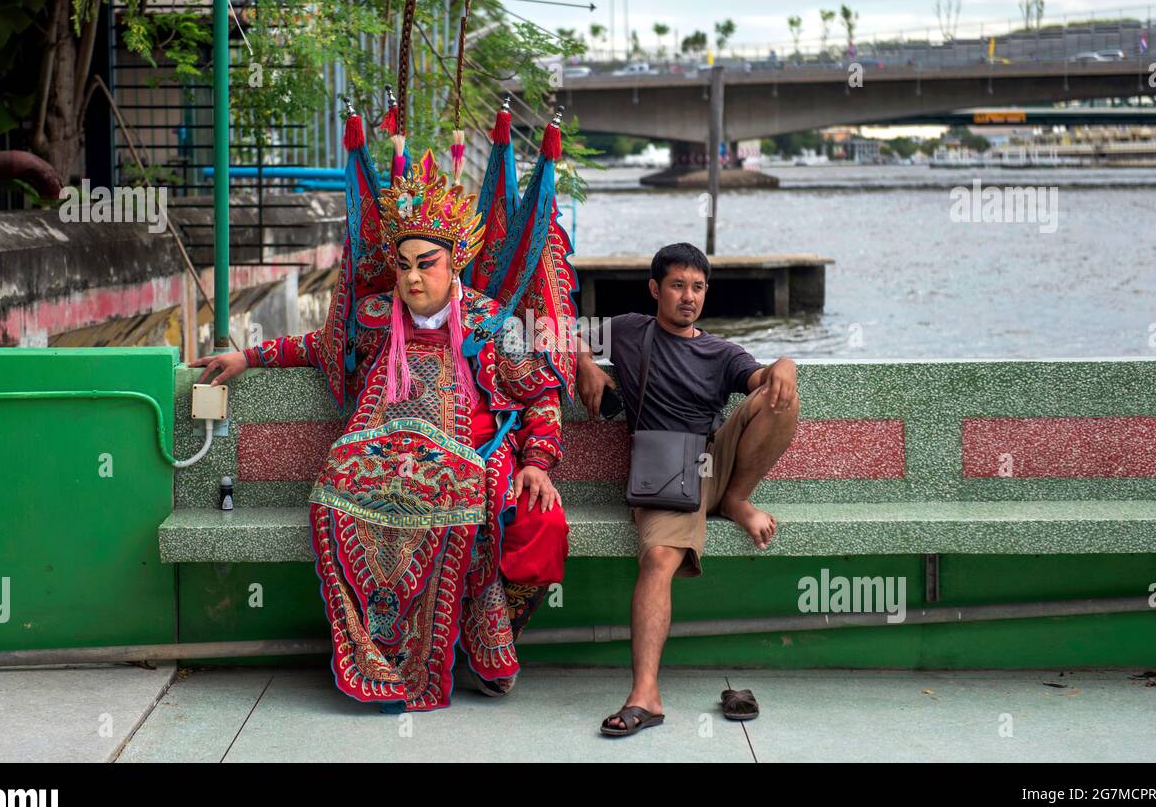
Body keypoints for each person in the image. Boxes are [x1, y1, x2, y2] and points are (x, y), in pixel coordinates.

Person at [193, 147, 570, 712]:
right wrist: (251, 357)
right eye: (403, 264)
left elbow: (539, 392)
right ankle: (384, 654)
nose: (413, 277)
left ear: (455, 262)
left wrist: (537, 462)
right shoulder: (372, 317)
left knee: (516, 515)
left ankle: (490, 633)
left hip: (479, 449)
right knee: (336, 500)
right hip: (383, 448)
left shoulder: (493, 321)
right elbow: (318, 348)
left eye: (427, 263)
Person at [576, 242, 800, 736]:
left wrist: (782, 363)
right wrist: (587, 364)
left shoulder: (721, 351)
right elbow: (567, 336)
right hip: (662, 472)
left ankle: (737, 499)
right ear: (656, 289)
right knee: (658, 559)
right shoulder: (631, 330)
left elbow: (760, 380)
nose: (688, 297)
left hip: (714, 463)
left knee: (781, 400)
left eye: (698, 287)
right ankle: (646, 696)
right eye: (678, 285)